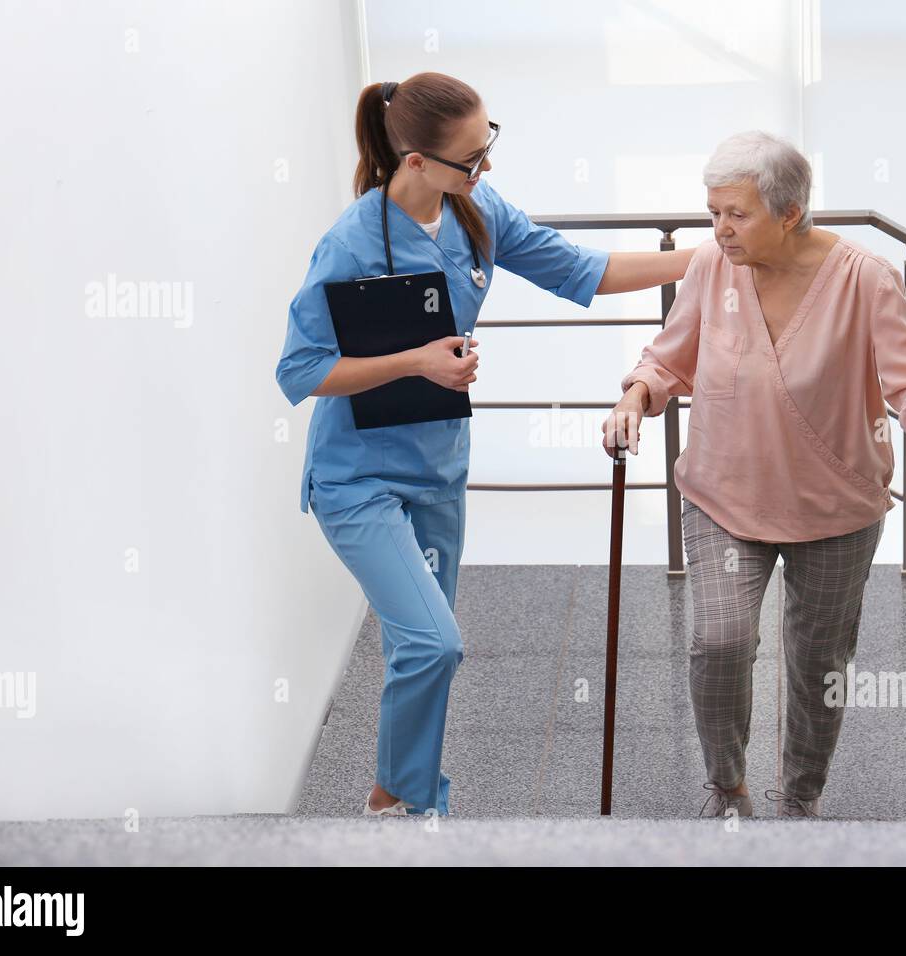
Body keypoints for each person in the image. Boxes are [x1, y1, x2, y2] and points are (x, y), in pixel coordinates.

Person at [276, 72, 693, 817]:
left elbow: (577, 270)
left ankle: (397, 802)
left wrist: (702, 261)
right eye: (472, 158)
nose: (487, 168)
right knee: (437, 642)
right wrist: (417, 361)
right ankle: (409, 801)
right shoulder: (349, 244)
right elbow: (301, 370)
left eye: (488, 144)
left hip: (437, 467)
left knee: (419, 652)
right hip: (357, 477)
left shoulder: (476, 210)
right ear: (414, 164)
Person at [602, 130, 906, 819]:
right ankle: (727, 787)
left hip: (837, 508)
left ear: (790, 213)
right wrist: (636, 395)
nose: (721, 230)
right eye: (713, 213)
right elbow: (670, 357)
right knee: (720, 643)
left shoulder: (865, 278)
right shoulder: (709, 267)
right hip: (724, 495)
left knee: (819, 664)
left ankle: (800, 797)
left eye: (737, 214)